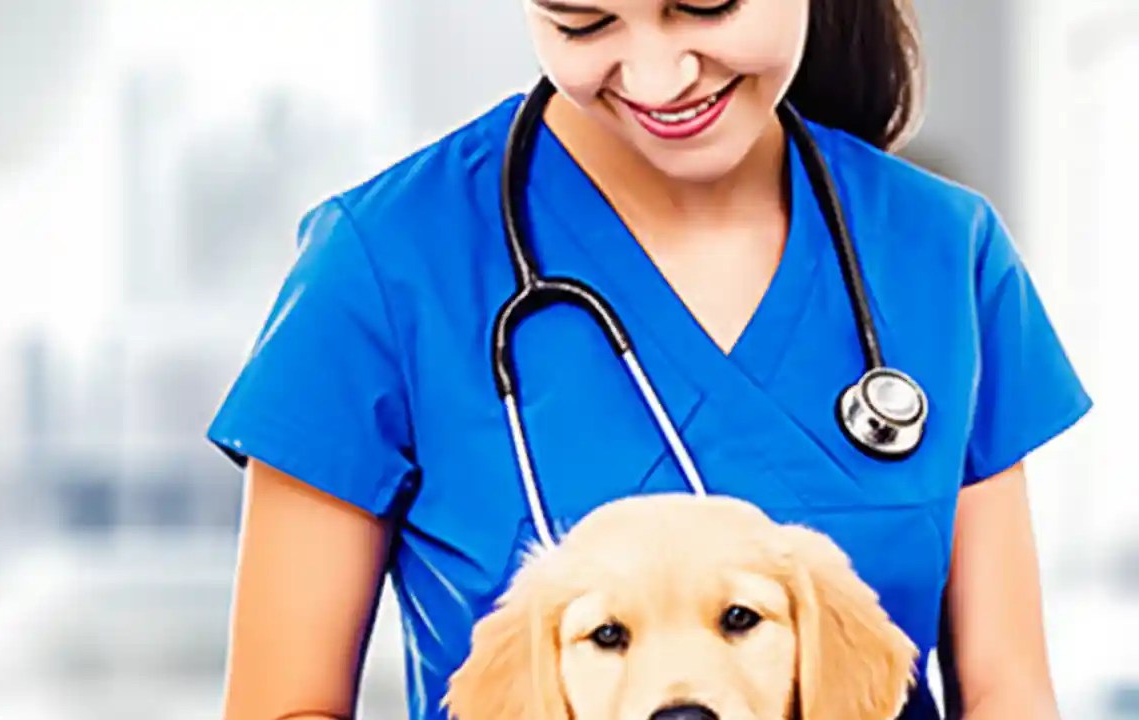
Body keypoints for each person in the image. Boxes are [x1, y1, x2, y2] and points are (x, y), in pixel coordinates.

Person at [204, 0, 1093, 718]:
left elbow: (1007, 694)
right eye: (584, 22)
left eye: (705, 8)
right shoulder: (384, 264)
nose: (659, 78)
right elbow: (285, 707)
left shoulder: (943, 251)